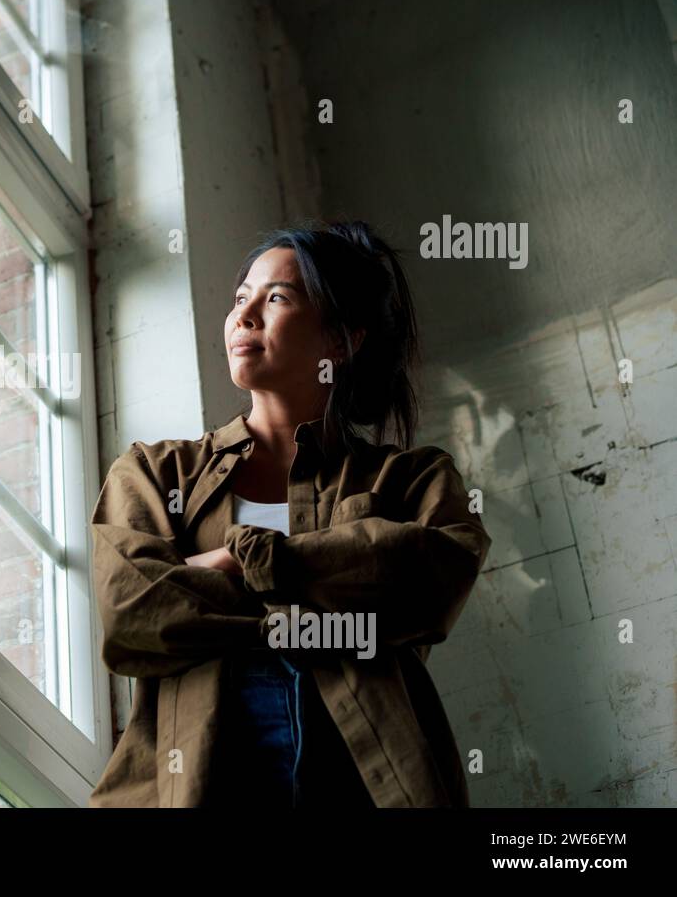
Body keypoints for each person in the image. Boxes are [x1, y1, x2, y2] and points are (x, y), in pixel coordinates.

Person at [88, 219, 493, 807]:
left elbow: (433, 577)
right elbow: (133, 609)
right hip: (201, 785)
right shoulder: (154, 474)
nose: (243, 317)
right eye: (239, 299)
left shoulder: (410, 478)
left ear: (341, 340)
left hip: (368, 784)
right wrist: (332, 602)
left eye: (276, 297)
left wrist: (231, 563)